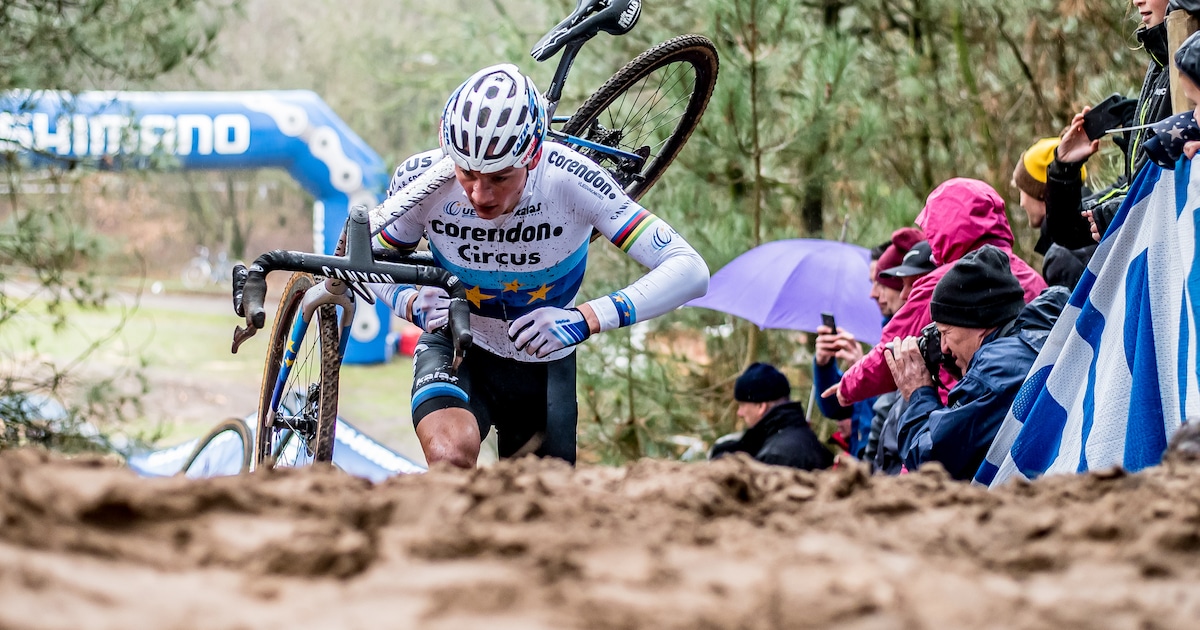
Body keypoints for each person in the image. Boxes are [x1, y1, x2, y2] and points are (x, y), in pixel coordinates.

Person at [370, 64, 710, 468]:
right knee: (450, 455)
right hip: (457, 340)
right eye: (467, 174)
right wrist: (406, 301)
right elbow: (364, 260)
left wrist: (586, 318)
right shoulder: (424, 180)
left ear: (532, 157)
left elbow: (690, 269)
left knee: (542, 494)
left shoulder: (572, 179)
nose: (480, 195)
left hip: (543, 360)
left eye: (500, 177)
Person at [828, 178, 1048, 408]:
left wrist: (847, 387)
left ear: (944, 228)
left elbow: (894, 351)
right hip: (1032, 404)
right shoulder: (1034, 279)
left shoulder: (943, 283)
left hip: (964, 408)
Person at [883, 246, 1070, 480]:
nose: (943, 347)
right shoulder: (1036, 339)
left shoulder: (995, 371)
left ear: (978, 323)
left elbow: (930, 461)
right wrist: (966, 375)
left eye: (946, 332)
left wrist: (918, 393)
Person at [1057, 0, 1172, 243]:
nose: (1136, 1)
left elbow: (1178, 188)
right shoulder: (1159, 62)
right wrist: (1064, 169)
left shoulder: (1180, 62)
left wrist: (1124, 215)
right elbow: (1069, 230)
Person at [814, 227, 925, 461]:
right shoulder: (885, 334)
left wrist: (864, 372)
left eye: (881, 282)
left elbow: (891, 411)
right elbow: (837, 407)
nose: (873, 293)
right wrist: (825, 366)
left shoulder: (914, 340)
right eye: (872, 283)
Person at [709, 363, 834, 471]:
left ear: (761, 407)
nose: (739, 413)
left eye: (742, 405)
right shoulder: (808, 442)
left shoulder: (775, 458)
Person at [1012, 137, 1097, 288]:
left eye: (1021, 190)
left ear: (1040, 193)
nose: (1021, 203)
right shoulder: (1096, 221)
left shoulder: (1062, 257)